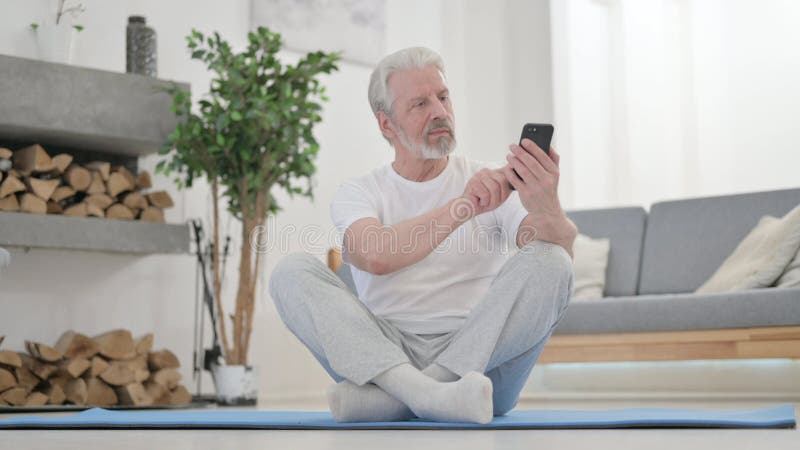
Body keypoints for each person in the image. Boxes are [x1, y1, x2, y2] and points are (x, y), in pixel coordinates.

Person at [269, 47, 577, 424]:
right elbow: (376, 255)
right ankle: (426, 393)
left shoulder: (491, 180)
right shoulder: (360, 192)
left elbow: (556, 259)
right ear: (386, 124)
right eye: (420, 104)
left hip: (481, 364)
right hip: (383, 355)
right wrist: (464, 206)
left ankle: (404, 397)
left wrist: (546, 202)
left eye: (443, 97)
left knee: (553, 258)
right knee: (290, 272)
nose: (439, 111)